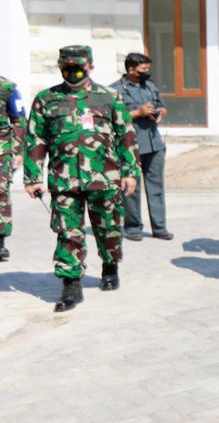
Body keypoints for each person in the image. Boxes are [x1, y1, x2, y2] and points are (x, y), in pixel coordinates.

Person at [23, 46, 139, 311]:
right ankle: (70, 285)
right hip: (64, 180)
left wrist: (130, 172)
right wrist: (32, 176)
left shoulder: (109, 97)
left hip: (105, 177)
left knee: (108, 228)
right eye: (67, 68)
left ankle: (110, 265)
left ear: (91, 67)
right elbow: (35, 138)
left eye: (78, 67)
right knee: (68, 232)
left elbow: (126, 135)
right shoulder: (47, 99)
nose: (72, 72)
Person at [111, 53, 172, 241]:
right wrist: (138, 112)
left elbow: (162, 106)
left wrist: (159, 113)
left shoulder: (150, 86)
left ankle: (160, 227)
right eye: (143, 69)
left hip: (154, 143)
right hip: (130, 146)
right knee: (131, 187)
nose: (147, 72)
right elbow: (110, 117)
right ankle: (133, 226)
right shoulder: (114, 90)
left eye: (148, 69)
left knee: (156, 187)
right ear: (131, 69)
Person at [0, 74, 27, 262]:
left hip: (1, 149)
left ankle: (0, 242)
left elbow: (19, 120)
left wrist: (18, 150)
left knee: (0, 193)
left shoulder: (7, 87)